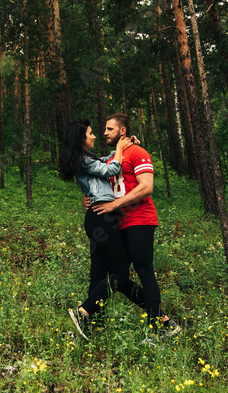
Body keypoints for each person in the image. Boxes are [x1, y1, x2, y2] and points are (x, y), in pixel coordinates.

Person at [89, 112, 179, 337]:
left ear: (122, 131)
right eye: (104, 129)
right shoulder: (112, 160)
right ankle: (162, 320)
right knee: (117, 276)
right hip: (118, 225)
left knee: (144, 271)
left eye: (109, 129)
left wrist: (115, 204)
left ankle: (157, 330)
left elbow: (146, 187)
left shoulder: (138, 153)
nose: (104, 132)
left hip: (140, 220)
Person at [57, 119, 137, 339]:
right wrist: (120, 150)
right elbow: (112, 167)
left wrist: (125, 144)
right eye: (90, 133)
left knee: (99, 273)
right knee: (119, 272)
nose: (94, 136)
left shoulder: (85, 158)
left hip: (98, 216)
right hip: (101, 217)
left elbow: (106, 159)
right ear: (80, 139)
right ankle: (83, 312)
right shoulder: (83, 159)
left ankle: (96, 324)